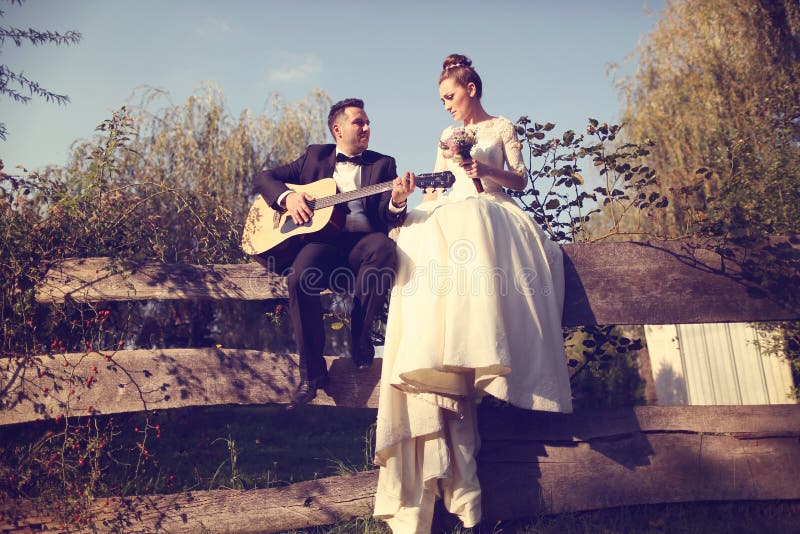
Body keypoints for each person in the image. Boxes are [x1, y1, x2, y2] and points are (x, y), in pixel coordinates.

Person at [373, 55, 573, 532]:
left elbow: (519, 180)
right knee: (421, 232)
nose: (446, 105)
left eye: (450, 96)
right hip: (454, 205)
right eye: (442, 99)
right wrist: (411, 203)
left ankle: (478, 344)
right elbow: (437, 190)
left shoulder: (501, 127)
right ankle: (438, 343)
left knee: (475, 218)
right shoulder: (446, 136)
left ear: (472, 89)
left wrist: (483, 169)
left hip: (493, 205)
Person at [252, 98, 414, 409]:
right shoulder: (315, 156)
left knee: (383, 247)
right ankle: (311, 376)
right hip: (323, 243)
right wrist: (288, 198)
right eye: (359, 122)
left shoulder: (383, 164)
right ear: (338, 130)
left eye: (368, 122)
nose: (367, 128)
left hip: (363, 244)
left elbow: (387, 216)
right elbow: (264, 178)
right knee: (299, 278)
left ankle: (360, 335)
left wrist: (398, 200)